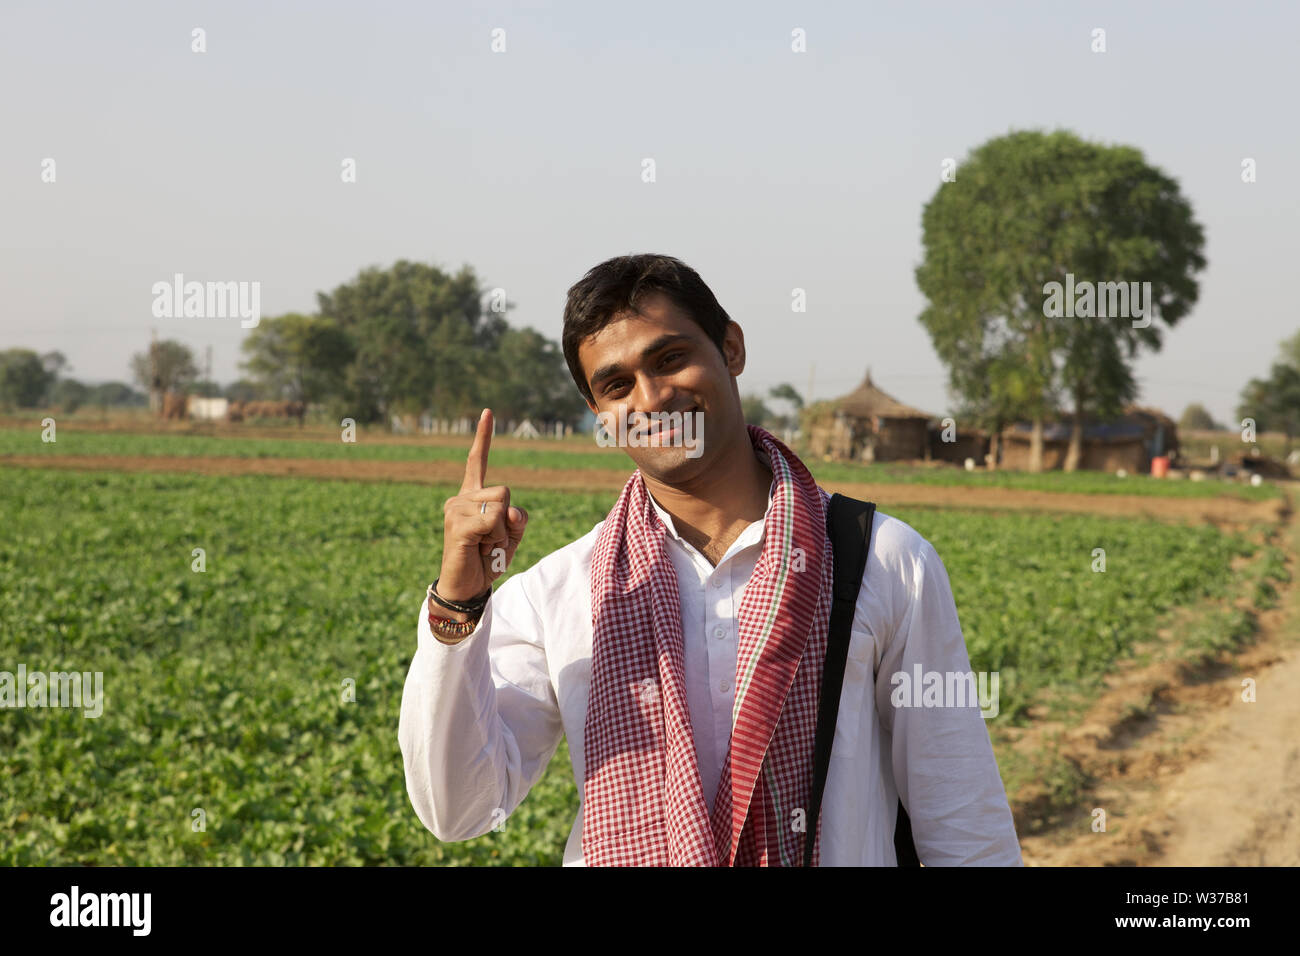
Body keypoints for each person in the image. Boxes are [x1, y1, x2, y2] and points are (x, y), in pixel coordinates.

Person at [398, 253, 1023, 866]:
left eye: (671, 359)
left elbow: (959, 813)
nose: (650, 398)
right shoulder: (561, 590)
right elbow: (461, 810)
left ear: (731, 349)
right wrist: (458, 607)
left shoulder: (882, 560)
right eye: (616, 386)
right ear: (600, 416)